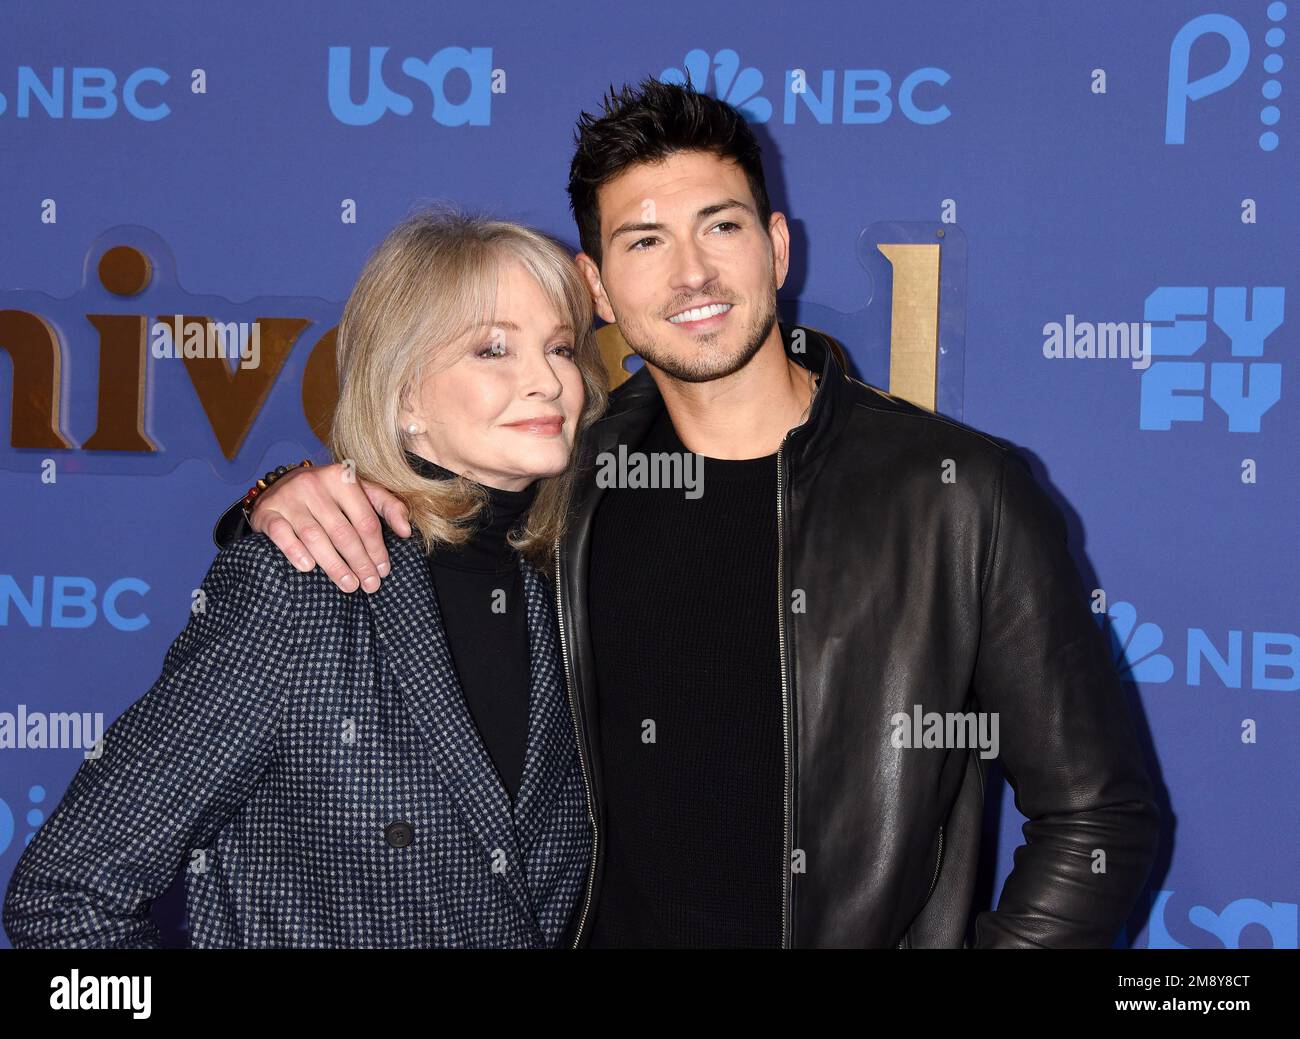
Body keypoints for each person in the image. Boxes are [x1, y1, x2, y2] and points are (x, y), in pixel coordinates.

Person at [204, 81, 1161, 948]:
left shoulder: (960, 493)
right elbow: (406, 511)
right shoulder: (562, 484)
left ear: (777, 246)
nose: (692, 274)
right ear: (597, 285)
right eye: (646, 242)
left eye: (722, 227)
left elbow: (1099, 815)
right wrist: (267, 498)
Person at [2, 208, 608, 948]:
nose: (546, 381)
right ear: (406, 393)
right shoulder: (301, 585)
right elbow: (63, 897)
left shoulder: (570, 589)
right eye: (493, 350)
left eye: (560, 348)